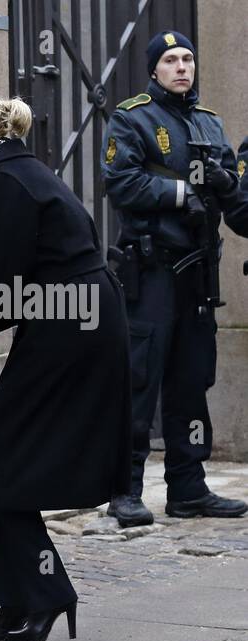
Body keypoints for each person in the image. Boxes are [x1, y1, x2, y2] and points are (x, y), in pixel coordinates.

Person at [0, 86, 131, 641]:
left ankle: (42, 596)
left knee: (0, 462)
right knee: (4, 464)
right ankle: (23, 601)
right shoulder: (21, 170)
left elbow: (4, 278)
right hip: (76, 319)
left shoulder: (4, 182)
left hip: (70, 326)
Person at [100, 31, 247, 527]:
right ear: (154, 70)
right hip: (153, 270)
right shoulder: (132, 117)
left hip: (199, 274)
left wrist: (226, 183)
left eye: (187, 59)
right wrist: (182, 191)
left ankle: (189, 489)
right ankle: (125, 490)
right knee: (140, 381)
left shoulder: (210, 122)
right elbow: (120, 183)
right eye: (170, 60)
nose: (182, 67)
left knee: (192, 382)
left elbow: (235, 202)